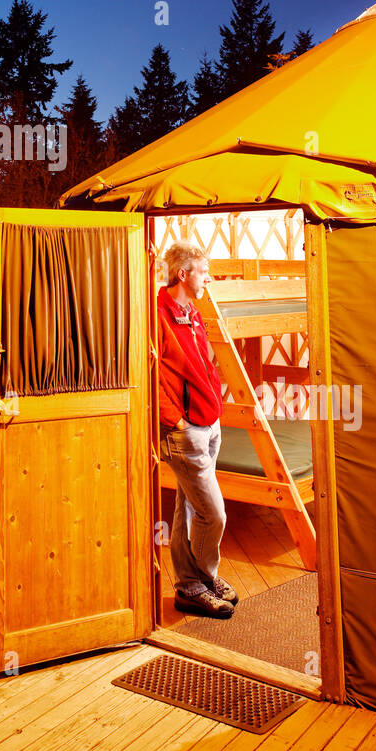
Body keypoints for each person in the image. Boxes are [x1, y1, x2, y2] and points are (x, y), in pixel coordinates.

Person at [156, 241, 238, 618]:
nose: (210, 278)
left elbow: (203, 365)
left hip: (208, 421)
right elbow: (147, 370)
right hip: (184, 429)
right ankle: (202, 578)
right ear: (183, 274)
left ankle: (190, 584)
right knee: (213, 514)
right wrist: (174, 419)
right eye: (204, 272)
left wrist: (215, 411)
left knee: (187, 507)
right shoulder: (156, 314)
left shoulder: (192, 311)